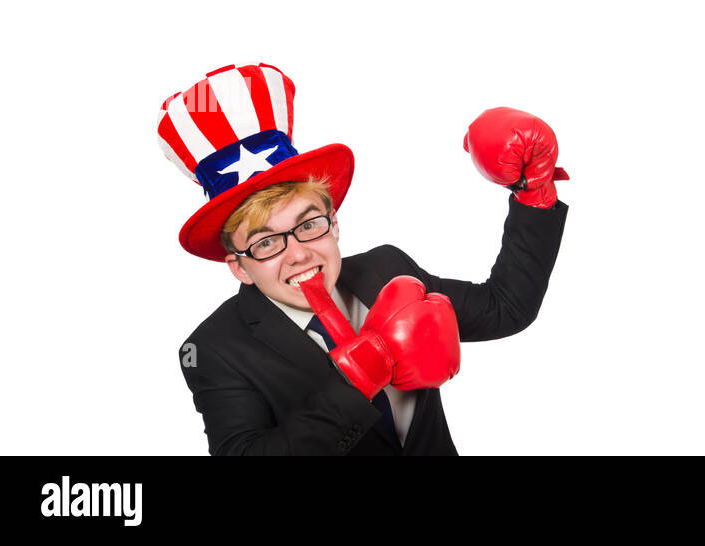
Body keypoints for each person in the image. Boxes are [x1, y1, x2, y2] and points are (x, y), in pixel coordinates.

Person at [161, 64, 569, 455]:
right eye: (266, 243)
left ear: (334, 224)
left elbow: (505, 309)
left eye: (309, 225)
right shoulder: (213, 347)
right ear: (239, 266)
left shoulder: (386, 270)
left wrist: (533, 193)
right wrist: (358, 379)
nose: (299, 253)